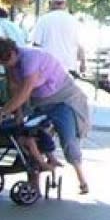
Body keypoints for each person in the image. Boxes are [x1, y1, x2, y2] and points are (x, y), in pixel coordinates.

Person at [0, 37, 91, 195]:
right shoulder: (10, 65)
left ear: (13, 51)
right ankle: (33, 183)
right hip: (37, 102)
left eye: (6, 59)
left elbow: (25, 90)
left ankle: (81, 178)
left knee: (68, 139)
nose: (5, 64)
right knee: (28, 134)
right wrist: (18, 112)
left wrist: (3, 112)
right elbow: (14, 88)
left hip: (63, 100)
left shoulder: (31, 58)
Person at [30, 0, 86, 77]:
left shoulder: (43, 20)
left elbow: (36, 45)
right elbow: (81, 45)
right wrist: (83, 63)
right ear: (65, 4)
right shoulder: (74, 21)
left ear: (50, 3)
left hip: (48, 68)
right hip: (69, 68)